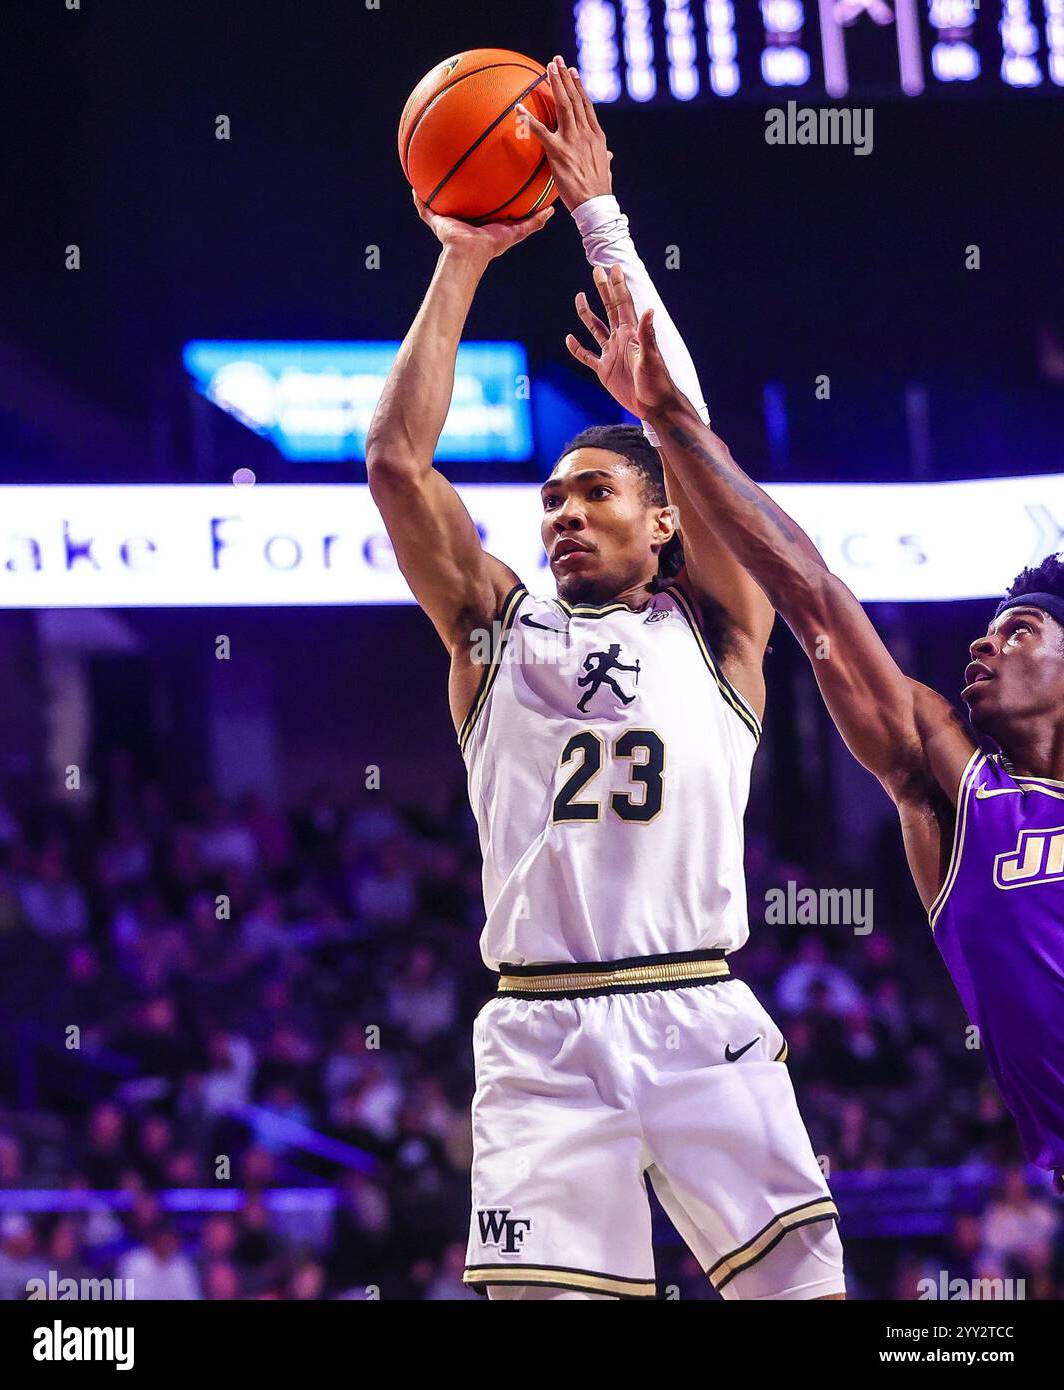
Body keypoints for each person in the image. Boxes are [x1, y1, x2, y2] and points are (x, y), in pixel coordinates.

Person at [365, 56, 843, 1300]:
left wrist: (599, 216)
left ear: (668, 521)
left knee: (803, 1292)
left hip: (698, 1013)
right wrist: (463, 256)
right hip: (538, 1033)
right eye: (549, 499)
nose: (564, 513)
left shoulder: (721, 628)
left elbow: (692, 428)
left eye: (596, 490)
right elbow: (395, 466)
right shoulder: (489, 629)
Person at [575, 256, 1064, 1190]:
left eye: (1017, 630)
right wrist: (670, 422)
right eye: (983, 632)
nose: (979, 648)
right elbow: (814, 599)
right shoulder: (956, 785)